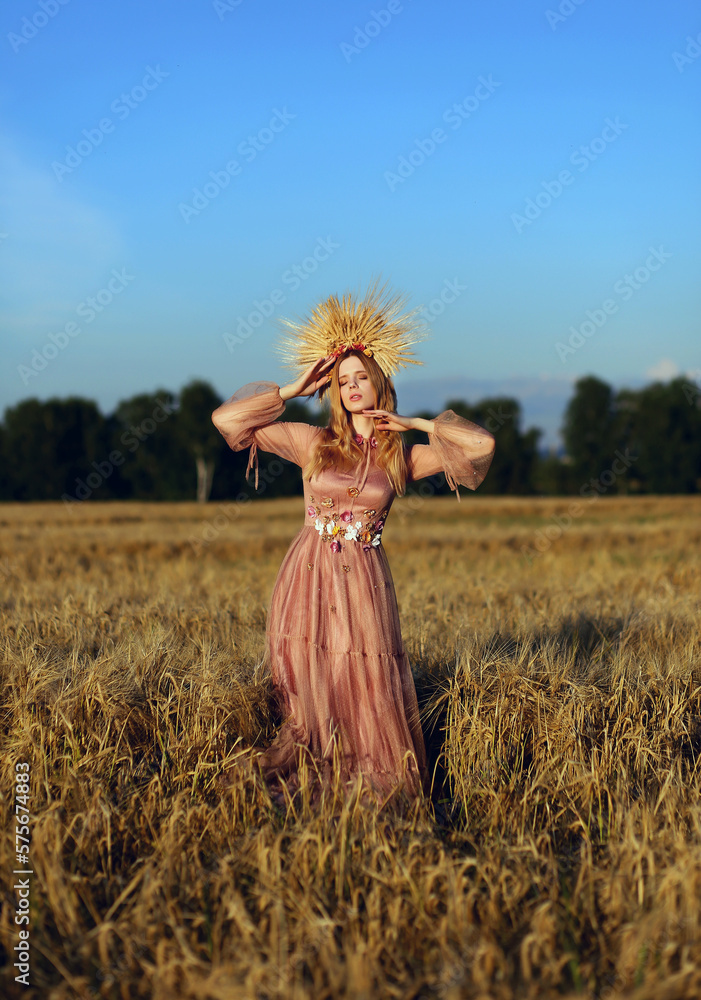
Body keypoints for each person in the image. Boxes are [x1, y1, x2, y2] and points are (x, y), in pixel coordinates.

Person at [211, 280, 496, 814]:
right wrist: (293, 389)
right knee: (316, 676)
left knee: (362, 675)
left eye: (360, 377)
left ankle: (366, 776)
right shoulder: (312, 442)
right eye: (342, 381)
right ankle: (316, 765)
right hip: (308, 575)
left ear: (379, 381)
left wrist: (415, 424)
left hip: (364, 581)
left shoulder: (401, 458)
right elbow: (226, 422)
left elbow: (481, 447)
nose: (351, 388)